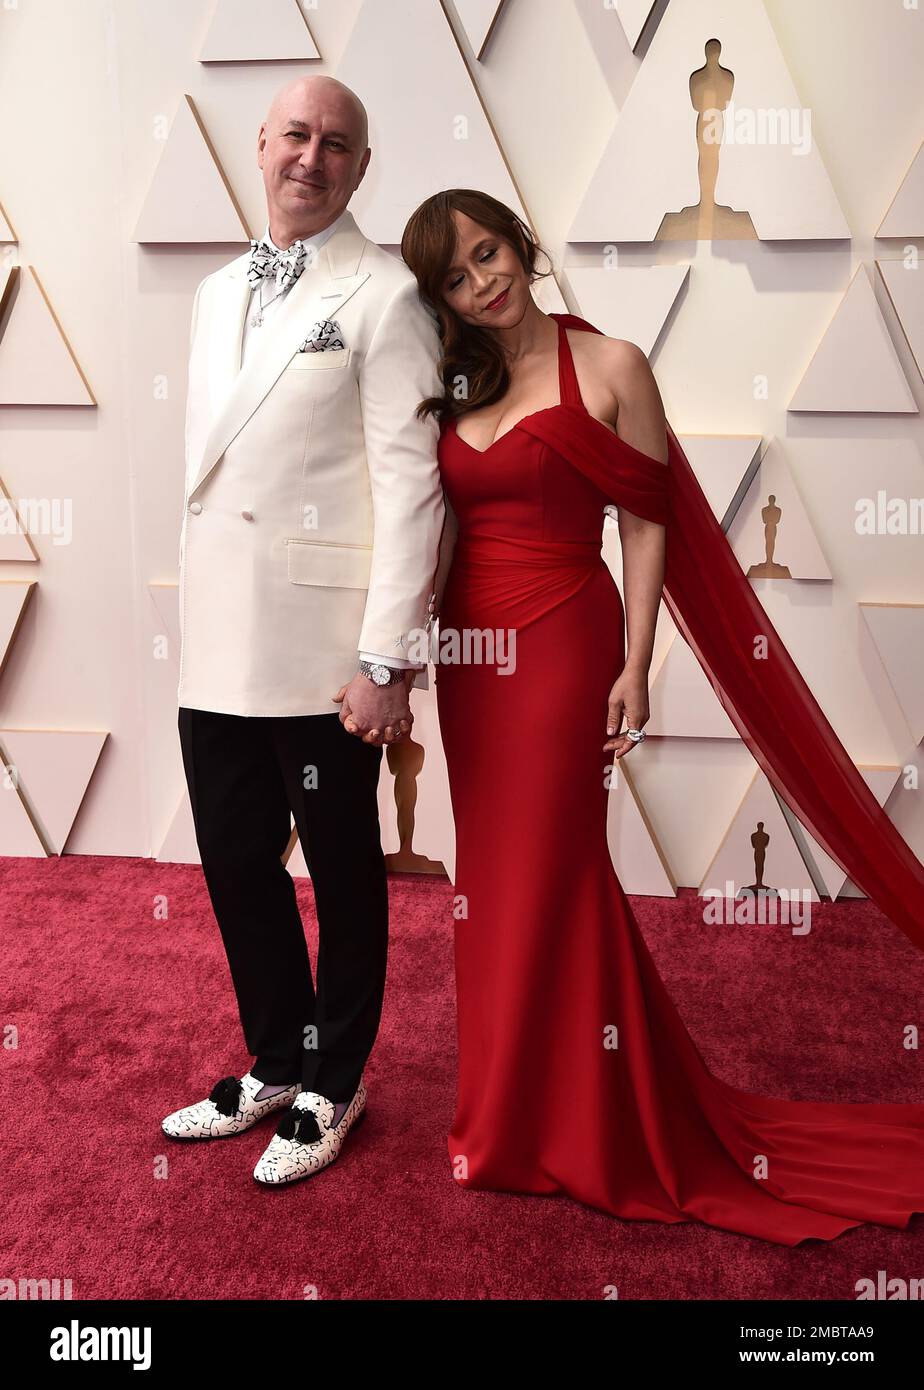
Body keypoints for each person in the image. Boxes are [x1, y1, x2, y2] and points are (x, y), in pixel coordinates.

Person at [399, 187, 924, 1244]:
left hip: (561, 637)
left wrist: (637, 661)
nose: (482, 283)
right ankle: (507, 1113)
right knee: (492, 878)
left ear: (522, 242)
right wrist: (409, 651)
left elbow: (647, 523)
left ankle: (586, 1121)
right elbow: (438, 523)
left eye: (489, 253)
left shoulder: (613, 366)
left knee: (554, 866)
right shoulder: (458, 379)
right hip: (468, 654)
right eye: (455, 277)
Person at [161, 77, 446, 1187]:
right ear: (262, 145)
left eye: (336, 143)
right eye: (295, 135)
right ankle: (277, 1059)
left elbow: (412, 483)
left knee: (340, 868)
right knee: (235, 859)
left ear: (361, 167)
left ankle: (336, 1078)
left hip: (327, 653)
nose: (310, 157)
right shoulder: (215, 290)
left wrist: (386, 661)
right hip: (219, 637)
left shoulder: (386, 293)